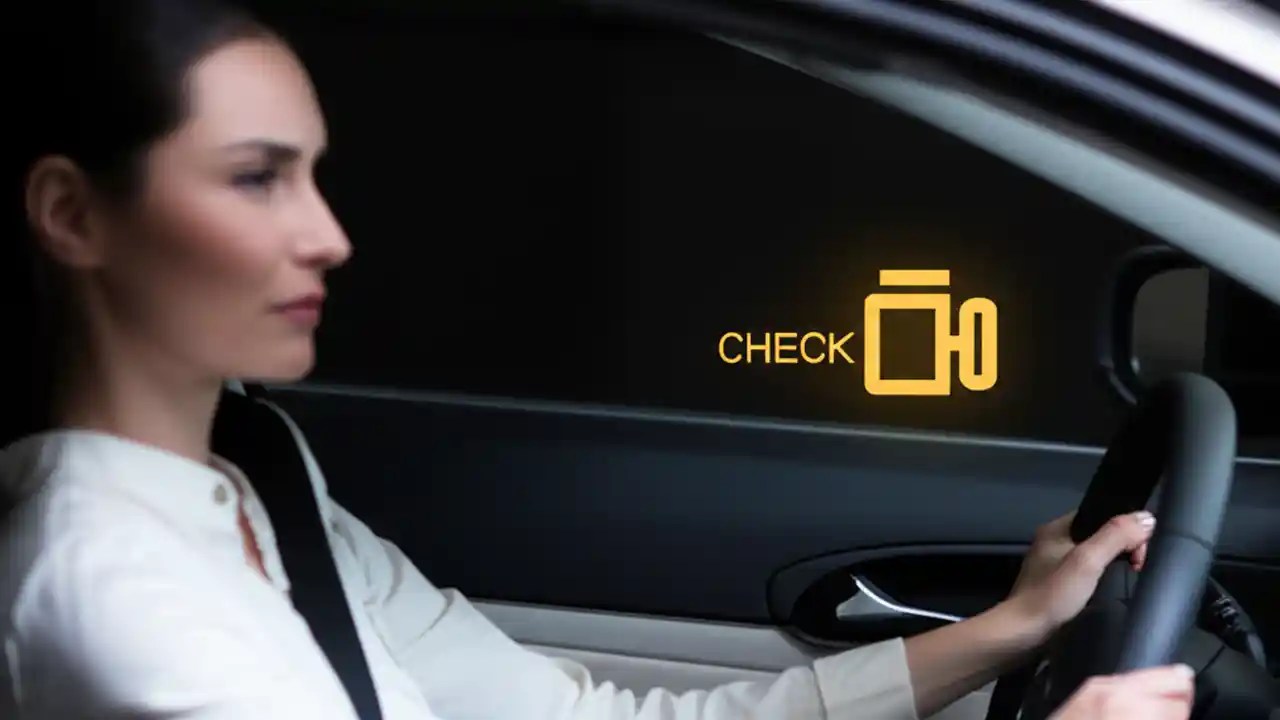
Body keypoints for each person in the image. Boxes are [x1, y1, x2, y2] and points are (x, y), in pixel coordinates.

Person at [0, 1, 1195, 718]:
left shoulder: (257, 464)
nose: (329, 233)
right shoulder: (109, 600)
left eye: (315, 172)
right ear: (72, 216)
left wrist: (1011, 629)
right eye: (258, 177)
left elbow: (582, 716)